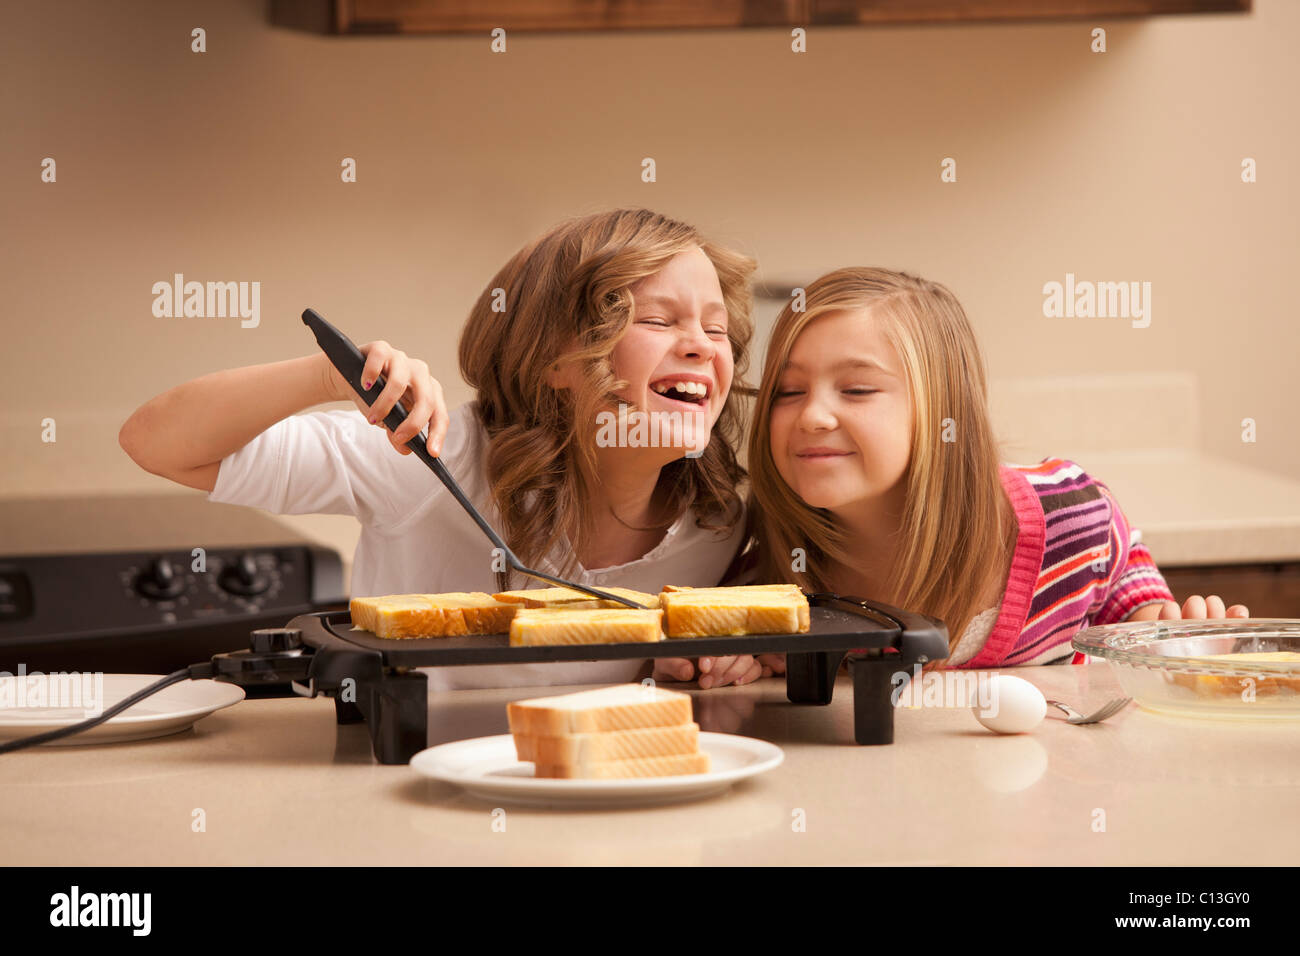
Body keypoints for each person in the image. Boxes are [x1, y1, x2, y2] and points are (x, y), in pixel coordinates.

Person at [120, 208, 770, 689]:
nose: (703, 346)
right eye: (658, 321)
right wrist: (327, 376)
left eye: (717, 329)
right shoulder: (428, 458)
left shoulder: (719, 520)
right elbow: (157, 443)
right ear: (554, 360)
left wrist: (716, 660)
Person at [723, 267, 1247, 670]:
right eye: (788, 392)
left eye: (857, 389)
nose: (811, 416)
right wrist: (733, 666)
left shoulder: (1069, 519)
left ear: (943, 412)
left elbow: (1127, 591)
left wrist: (1160, 626)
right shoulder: (762, 570)